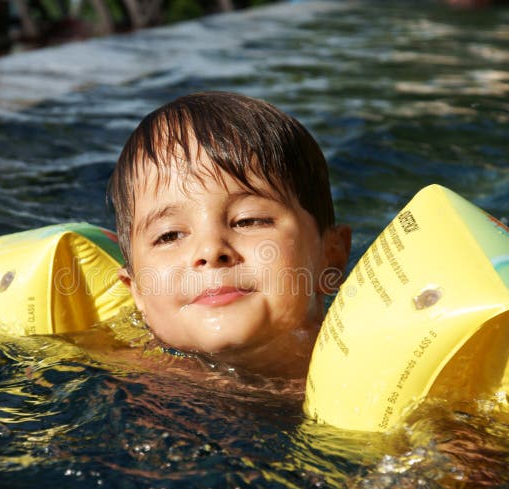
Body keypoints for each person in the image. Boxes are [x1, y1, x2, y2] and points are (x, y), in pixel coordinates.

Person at [108, 92, 351, 378]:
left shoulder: (371, 370)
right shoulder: (120, 378)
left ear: (330, 257)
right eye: (169, 235)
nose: (210, 250)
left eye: (249, 221)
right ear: (137, 291)